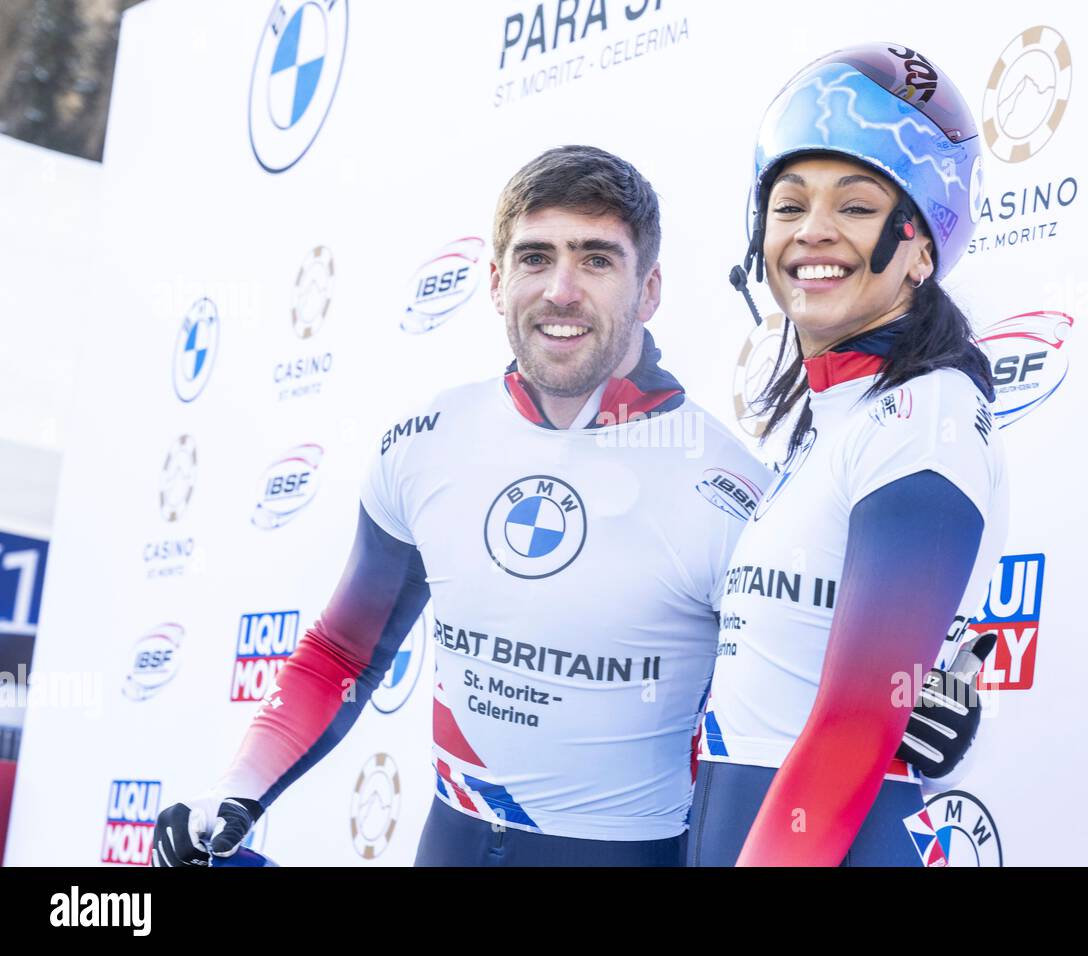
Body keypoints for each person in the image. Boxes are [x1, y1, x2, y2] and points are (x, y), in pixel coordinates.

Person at [152, 144, 985, 868]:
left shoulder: (737, 496)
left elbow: (827, 678)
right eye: (534, 256)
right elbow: (338, 654)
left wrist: (935, 705)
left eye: (595, 258)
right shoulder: (425, 440)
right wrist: (238, 791)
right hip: (449, 839)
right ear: (493, 278)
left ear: (649, 288)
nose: (560, 290)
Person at [691, 43, 1009, 867]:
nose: (812, 232)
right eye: (789, 204)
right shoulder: (830, 419)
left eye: (857, 206)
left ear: (922, 248)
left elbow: (856, 726)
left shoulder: (925, 415)